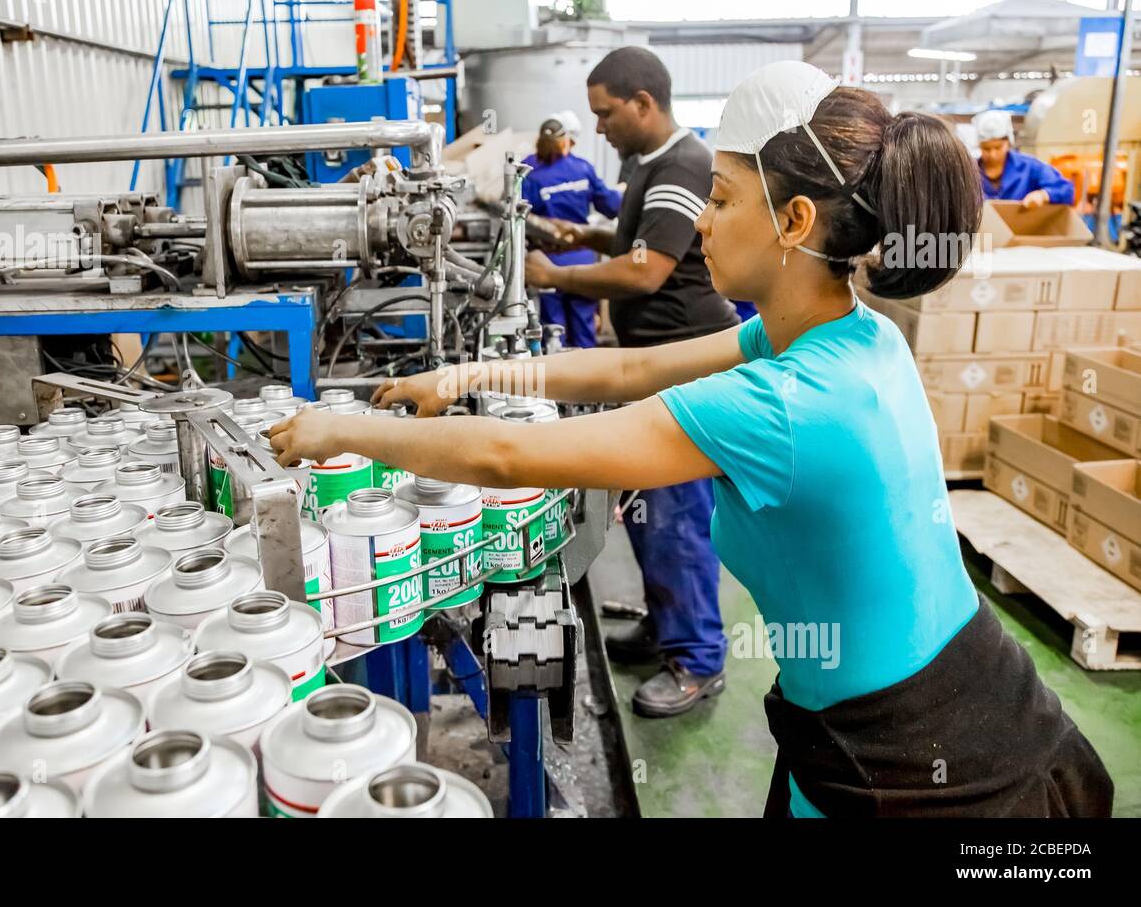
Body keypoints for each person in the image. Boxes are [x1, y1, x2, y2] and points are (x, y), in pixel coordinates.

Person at [268, 60, 1112, 817]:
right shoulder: (845, 333)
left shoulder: (783, 401)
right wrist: (465, 380)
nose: (701, 223)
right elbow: (630, 372)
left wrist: (337, 429)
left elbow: (508, 457)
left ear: (797, 220)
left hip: (927, 772)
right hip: (940, 704)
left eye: (723, 198)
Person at [530, 47, 740, 718]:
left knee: (676, 517)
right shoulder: (645, 163)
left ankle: (698, 659)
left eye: (607, 114)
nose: (601, 129)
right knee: (649, 514)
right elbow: (636, 241)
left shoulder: (683, 163)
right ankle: (666, 625)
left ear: (643, 103)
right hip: (653, 361)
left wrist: (556, 276)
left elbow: (648, 270)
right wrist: (585, 236)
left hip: (681, 359)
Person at [521, 111, 623, 349]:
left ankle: (557, 381)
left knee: (553, 331)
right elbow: (610, 207)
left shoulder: (527, 170)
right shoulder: (582, 168)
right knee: (584, 328)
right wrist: (623, 192)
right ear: (566, 140)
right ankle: (588, 382)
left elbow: (521, 216)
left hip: (546, 263)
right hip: (582, 261)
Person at [973, 109, 1074, 207]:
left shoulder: (1029, 167)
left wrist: (1043, 195)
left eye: (998, 147)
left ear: (1009, 142)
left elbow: (1066, 189)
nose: (993, 154)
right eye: (986, 149)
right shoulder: (971, 172)